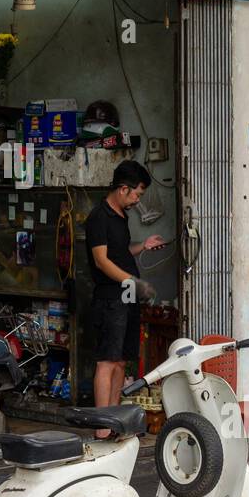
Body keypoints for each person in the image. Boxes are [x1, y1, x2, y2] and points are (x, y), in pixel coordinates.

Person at [84, 161, 165, 438]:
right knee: (107, 361)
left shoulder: (121, 217)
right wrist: (134, 282)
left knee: (121, 361)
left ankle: (115, 418)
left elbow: (120, 253)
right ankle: (101, 427)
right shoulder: (100, 217)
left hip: (127, 296)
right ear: (122, 189)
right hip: (110, 296)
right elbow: (102, 260)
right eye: (136, 194)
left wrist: (143, 246)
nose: (137, 200)